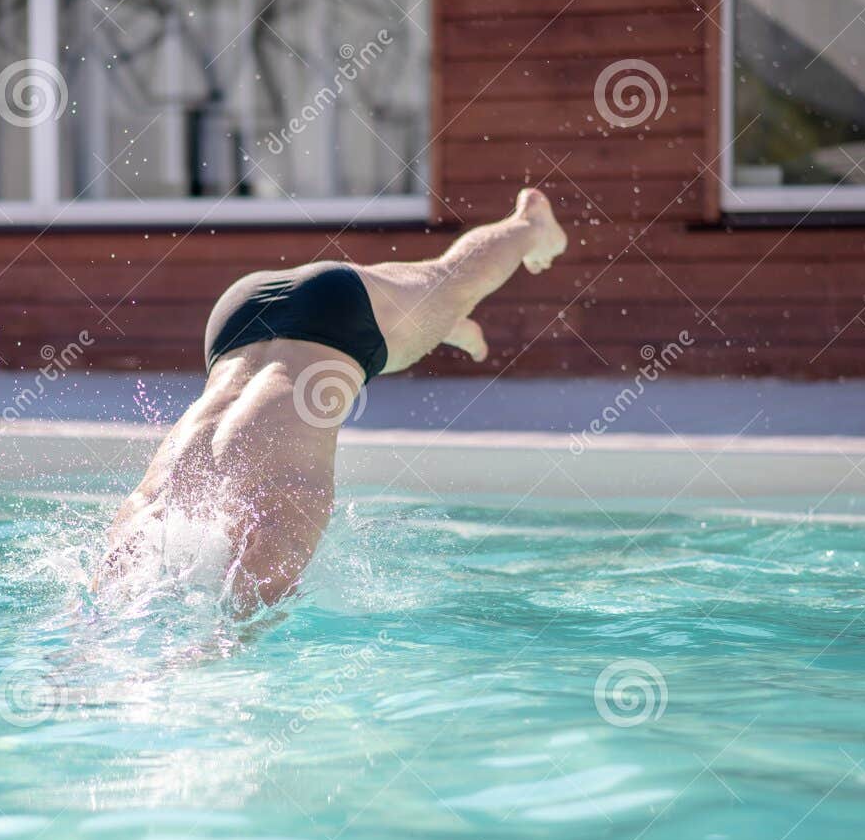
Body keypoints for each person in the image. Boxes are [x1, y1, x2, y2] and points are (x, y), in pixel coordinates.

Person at [96, 187, 568, 613]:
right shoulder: (172, 500)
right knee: (424, 299)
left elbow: (235, 626)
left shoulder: (240, 504)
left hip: (328, 318)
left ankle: (529, 224)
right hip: (241, 315)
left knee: (451, 279)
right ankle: (442, 326)